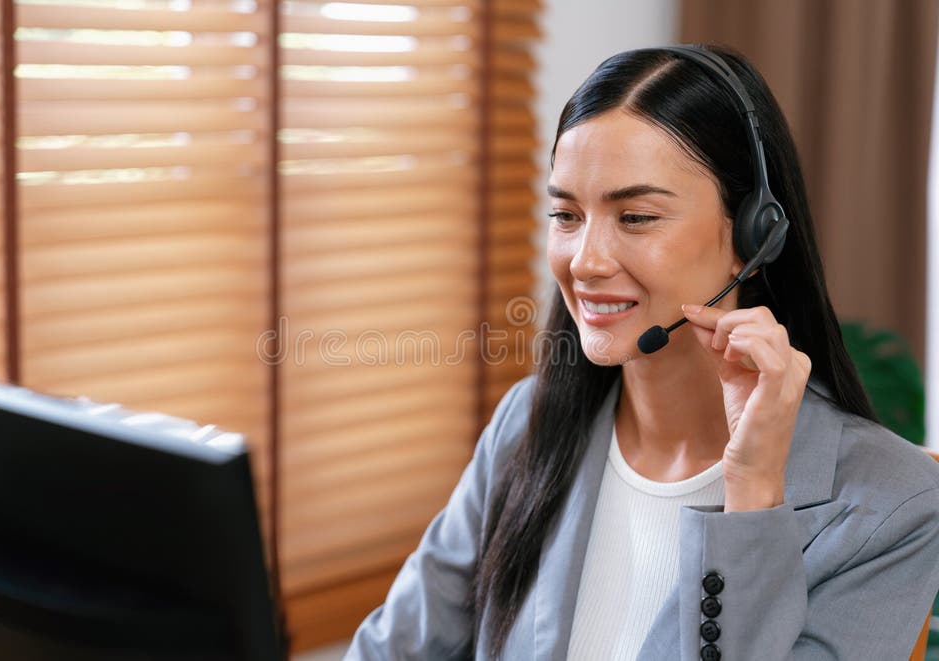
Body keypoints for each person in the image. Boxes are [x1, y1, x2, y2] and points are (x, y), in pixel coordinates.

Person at [345, 44, 939, 660]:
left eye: (635, 216)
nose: (586, 262)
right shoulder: (528, 424)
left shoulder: (892, 505)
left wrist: (753, 493)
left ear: (754, 238)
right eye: (565, 214)